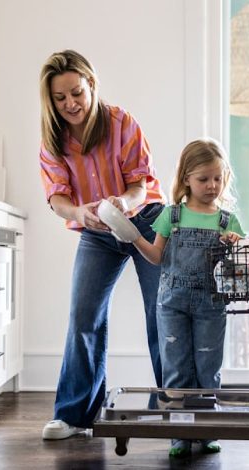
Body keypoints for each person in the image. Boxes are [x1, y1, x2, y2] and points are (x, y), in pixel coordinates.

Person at [38, 49, 167, 440]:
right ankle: (75, 417)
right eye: (60, 99)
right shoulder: (54, 140)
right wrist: (79, 212)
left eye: (76, 93)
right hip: (96, 229)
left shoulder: (121, 122)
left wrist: (122, 204)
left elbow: (140, 183)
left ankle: (179, 408)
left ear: (91, 85)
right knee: (83, 316)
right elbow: (56, 198)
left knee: (162, 315)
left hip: (144, 220)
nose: (70, 104)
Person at [132, 138, 244, 458]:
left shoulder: (228, 221)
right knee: (177, 371)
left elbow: (240, 269)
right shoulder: (172, 215)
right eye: (203, 179)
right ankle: (178, 433)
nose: (211, 186)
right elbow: (155, 257)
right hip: (171, 305)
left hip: (211, 305)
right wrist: (135, 237)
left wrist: (234, 245)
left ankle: (207, 430)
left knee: (208, 369)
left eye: (217, 179)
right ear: (186, 180)